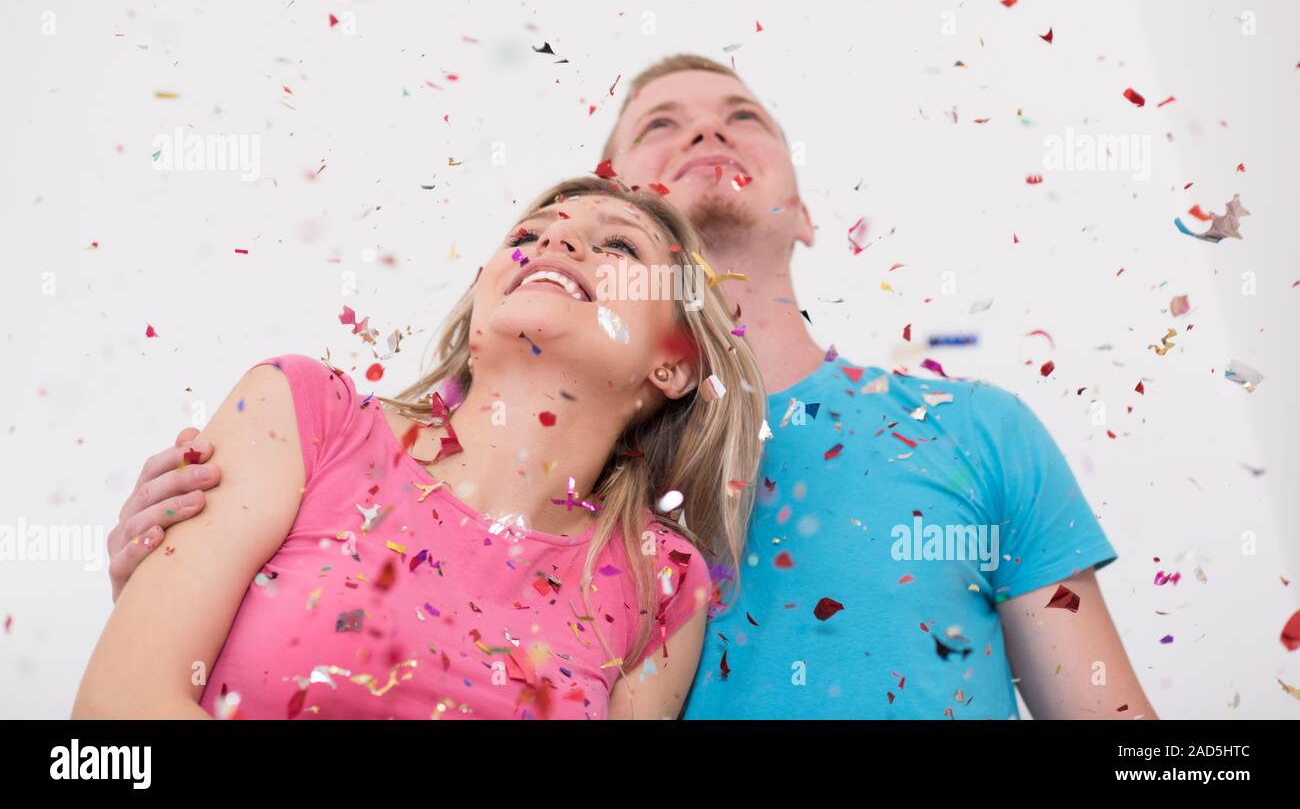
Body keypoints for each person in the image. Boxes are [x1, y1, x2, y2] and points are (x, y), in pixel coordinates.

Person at [107, 55, 1157, 720]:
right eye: (659, 125)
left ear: (805, 211)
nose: (706, 132)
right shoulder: (339, 436)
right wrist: (205, 584)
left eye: (743, 115)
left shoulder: (974, 432)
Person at [75, 176, 766, 719]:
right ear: (480, 309)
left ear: (674, 362)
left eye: (619, 247)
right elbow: (117, 709)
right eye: (530, 233)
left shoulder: (665, 582)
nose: (556, 244)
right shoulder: (303, 412)